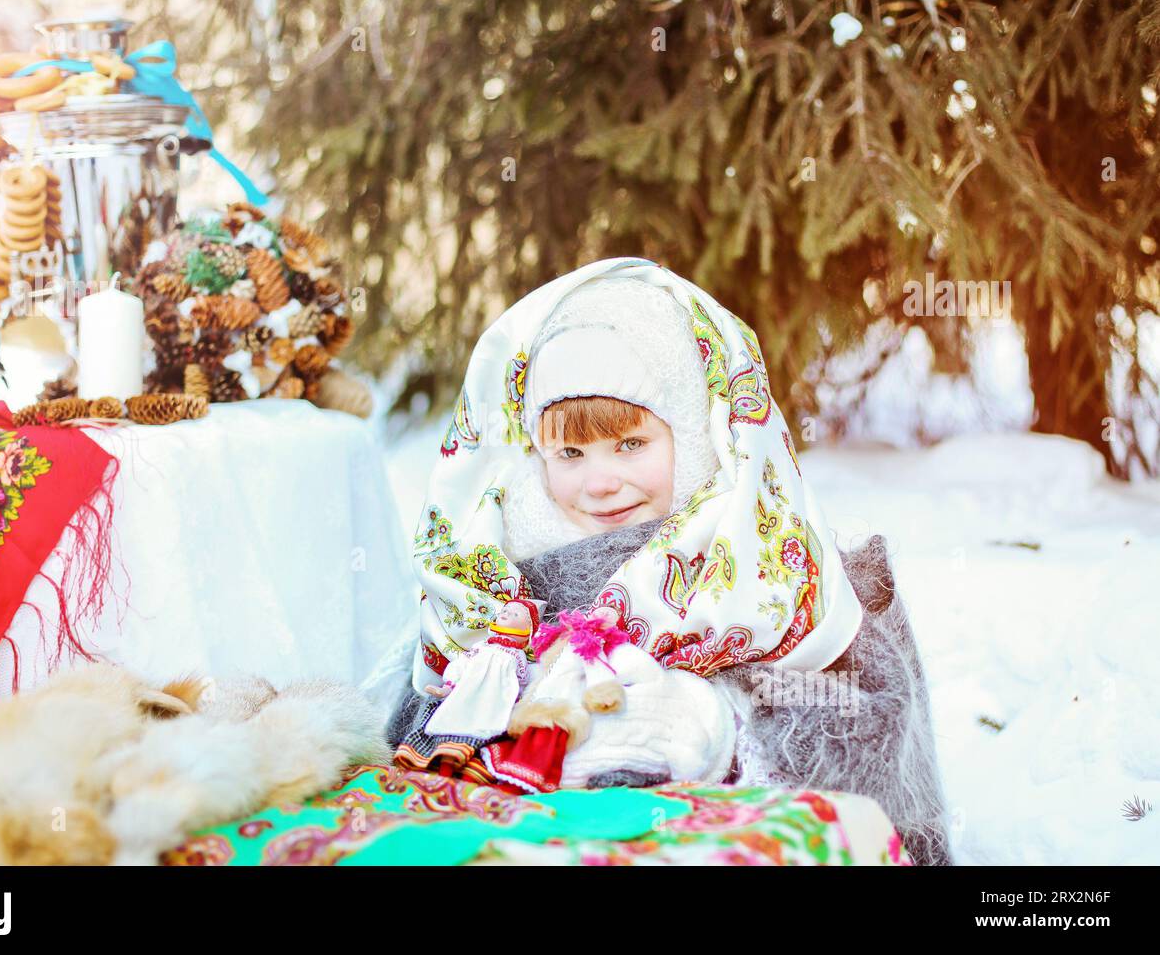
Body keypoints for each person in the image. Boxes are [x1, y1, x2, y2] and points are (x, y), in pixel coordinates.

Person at [384, 257, 951, 863]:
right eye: (570, 452)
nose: (600, 482)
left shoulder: (774, 568)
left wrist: (719, 725)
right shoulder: (490, 579)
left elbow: (876, 743)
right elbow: (417, 731)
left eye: (631, 444)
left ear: (694, 430)